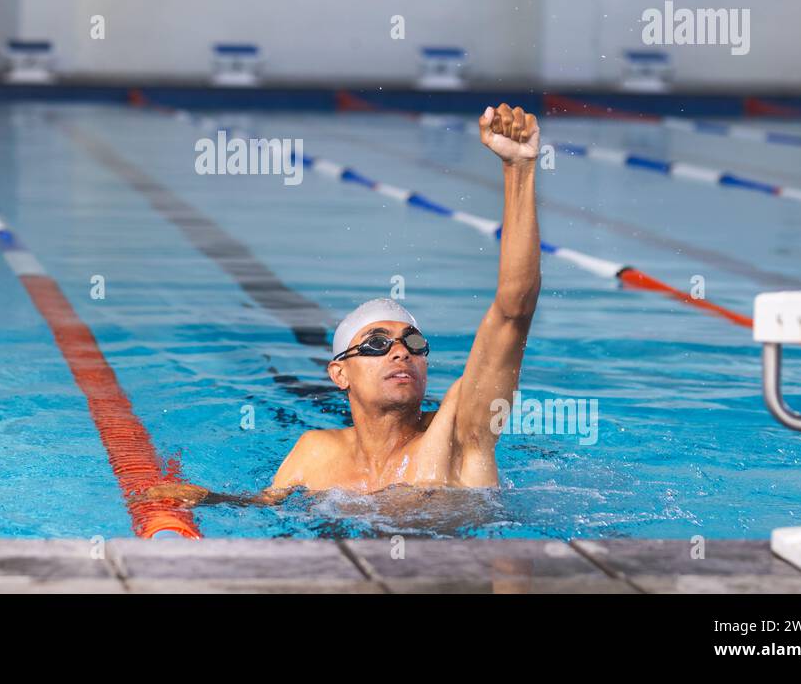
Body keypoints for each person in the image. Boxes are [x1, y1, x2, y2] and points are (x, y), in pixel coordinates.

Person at [141, 103, 541, 507]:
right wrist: (209, 498)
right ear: (339, 374)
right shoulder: (316, 453)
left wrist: (519, 171)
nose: (400, 351)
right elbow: (262, 507)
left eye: (413, 344)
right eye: (375, 344)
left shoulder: (458, 434)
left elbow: (513, 312)